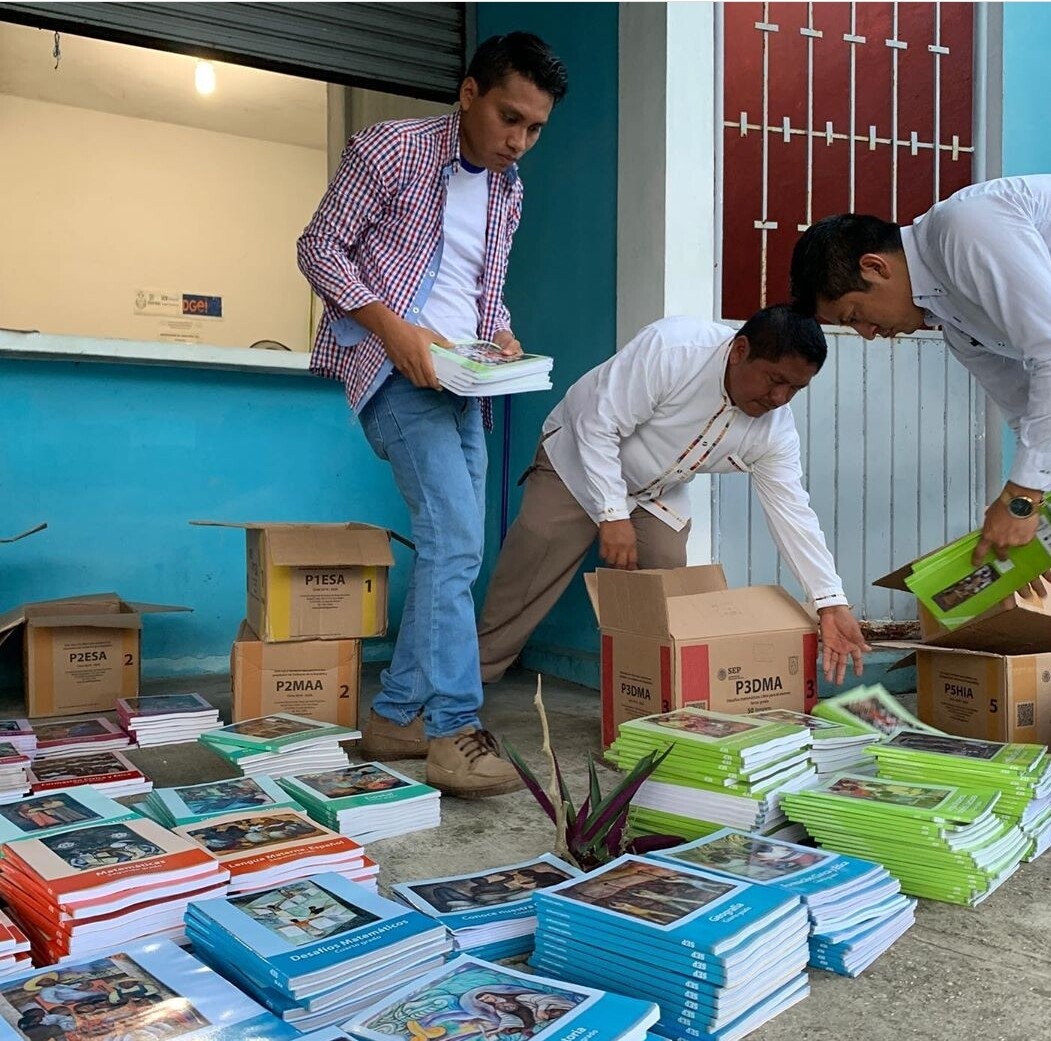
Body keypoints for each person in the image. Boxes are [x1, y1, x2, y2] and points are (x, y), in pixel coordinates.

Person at [297, 32, 568, 799]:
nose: (517, 141)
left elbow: (479, 289)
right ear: (468, 93)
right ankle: (453, 728)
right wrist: (394, 329)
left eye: (534, 129)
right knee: (452, 537)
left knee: (459, 549)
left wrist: (502, 332)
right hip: (388, 366)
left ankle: (392, 718)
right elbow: (319, 249)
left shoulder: (510, 191)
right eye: (508, 118)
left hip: (466, 380)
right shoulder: (390, 149)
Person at [477, 306, 870, 686]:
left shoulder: (775, 430)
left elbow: (792, 512)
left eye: (796, 389)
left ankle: (645, 693)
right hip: (577, 460)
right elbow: (597, 423)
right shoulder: (674, 349)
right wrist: (612, 516)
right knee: (532, 568)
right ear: (740, 351)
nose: (781, 398)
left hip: (654, 490)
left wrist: (829, 601)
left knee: (666, 581)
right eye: (774, 380)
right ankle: (463, 689)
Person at [788, 176, 1051, 571]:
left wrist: (1021, 499)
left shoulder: (967, 227)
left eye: (855, 316)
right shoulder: (957, 328)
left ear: (874, 267)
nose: (869, 334)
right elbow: (1026, 414)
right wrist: (1034, 523)